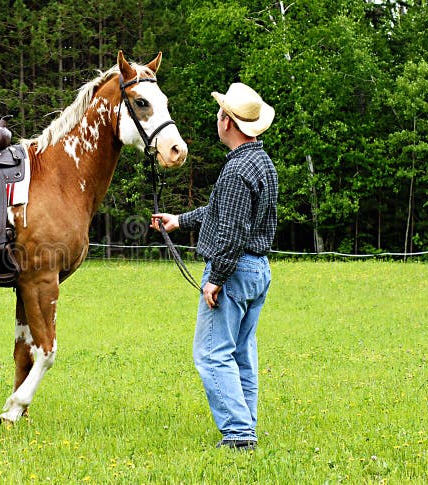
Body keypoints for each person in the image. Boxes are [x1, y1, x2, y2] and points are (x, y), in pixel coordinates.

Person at [151, 82, 277, 451]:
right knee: (241, 354)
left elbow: (234, 230)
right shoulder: (260, 163)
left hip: (234, 272)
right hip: (257, 270)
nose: (217, 119)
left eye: (220, 113)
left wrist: (216, 278)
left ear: (228, 121)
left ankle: (238, 435)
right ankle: (245, 425)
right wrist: (180, 220)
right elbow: (222, 213)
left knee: (211, 354)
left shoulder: (237, 171)